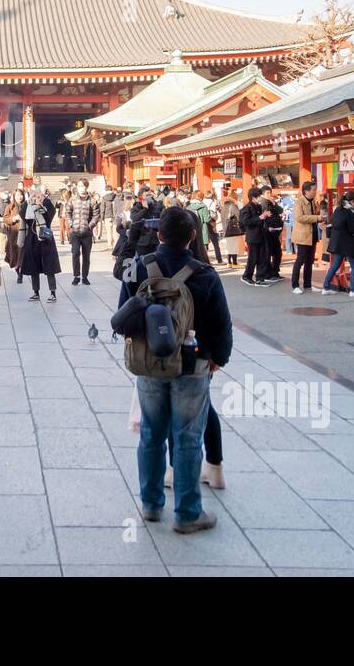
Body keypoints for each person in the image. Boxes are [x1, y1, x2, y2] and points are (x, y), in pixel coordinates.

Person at [119, 207, 232, 534]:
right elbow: (221, 326)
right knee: (187, 437)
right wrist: (217, 358)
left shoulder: (139, 268)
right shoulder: (205, 275)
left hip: (150, 365)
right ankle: (187, 512)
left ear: (159, 235)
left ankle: (151, 505)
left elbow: (123, 316)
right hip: (192, 366)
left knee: (151, 434)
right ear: (193, 237)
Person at [321, 191, 354, 297]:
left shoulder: (337, 210)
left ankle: (326, 287)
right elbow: (351, 229)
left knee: (334, 265)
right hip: (347, 243)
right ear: (351, 201)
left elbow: (332, 224)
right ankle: (353, 290)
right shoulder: (348, 212)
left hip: (337, 243)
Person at [22, 186, 61, 303]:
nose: (36, 198)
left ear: (43, 195)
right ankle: (35, 292)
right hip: (32, 238)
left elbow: (49, 216)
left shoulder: (47, 204)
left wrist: (41, 205)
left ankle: (52, 292)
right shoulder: (29, 205)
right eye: (34, 195)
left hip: (45, 236)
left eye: (38, 196)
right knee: (33, 265)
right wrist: (28, 203)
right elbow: (23, 216)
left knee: (49, 265)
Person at [65, 178, 101, 285]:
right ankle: (76, 276)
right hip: (75, 232)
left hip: (87, 233)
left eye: (83, 186)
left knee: (86, 256)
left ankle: (85, 276)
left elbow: (96, 216)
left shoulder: (92, 200)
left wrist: (90, 226)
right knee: (75, 253)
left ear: (86, 187)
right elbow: (67, 212)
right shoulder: (72, 199)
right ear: (77, 187)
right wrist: (71, 223)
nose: (81, 188)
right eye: (80, 186)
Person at [291, 181, 325, 293]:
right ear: (306, 191)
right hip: (303, 236)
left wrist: (320, 213)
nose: (316, 192)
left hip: (313, 235)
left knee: (309, 261)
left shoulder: (313, 202)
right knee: (300, 260)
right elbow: (299, 217)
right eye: (314, 190)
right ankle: (295, 285)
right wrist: (317, 218)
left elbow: (316, 215)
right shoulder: (298, 202)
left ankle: (308, 285)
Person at [239, 187, 272, 286]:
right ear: (253, 197)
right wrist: (260, 217)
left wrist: (265, 216)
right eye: (258, 196)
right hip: (252, 236)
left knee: (262, 257)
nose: (260, 198)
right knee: (253, 258)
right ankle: (247, 276)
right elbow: (246, 222)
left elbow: (260, 219)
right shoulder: (247, 208)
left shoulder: (258, 206)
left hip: (261, 234)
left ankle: (260, 278)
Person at [3, 187, 27, 279]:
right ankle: (18, 271)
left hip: (25, 233)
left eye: (21, 195)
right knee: (15, 255)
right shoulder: (10, 206)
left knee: (23, 254)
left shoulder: (26, 206)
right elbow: (5, 219)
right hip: (14, 234)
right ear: (14, 196)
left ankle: (21, 272)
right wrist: (13, 219)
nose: (19, 197)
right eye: (17, 195)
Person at [264, 188, 285, 279]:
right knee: (268, 253)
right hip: (268, 231)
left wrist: (274, 203)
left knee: (278, 253)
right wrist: (267, 227)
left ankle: (275, 271)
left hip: (276, 230)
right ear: (263, 194)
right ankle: (268, 273)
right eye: (267, 193)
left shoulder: (272, 203)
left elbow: (280, 210)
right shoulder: (263, 203)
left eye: (270, 193)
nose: (269, 195)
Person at [221, 189, 244, 267]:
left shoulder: (224, 206)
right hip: (233, 229)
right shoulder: (233, 206)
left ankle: (229, 262)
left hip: (226, 228)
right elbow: (238, 216)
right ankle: (234, 263)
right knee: (234, 246)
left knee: (229, 246)